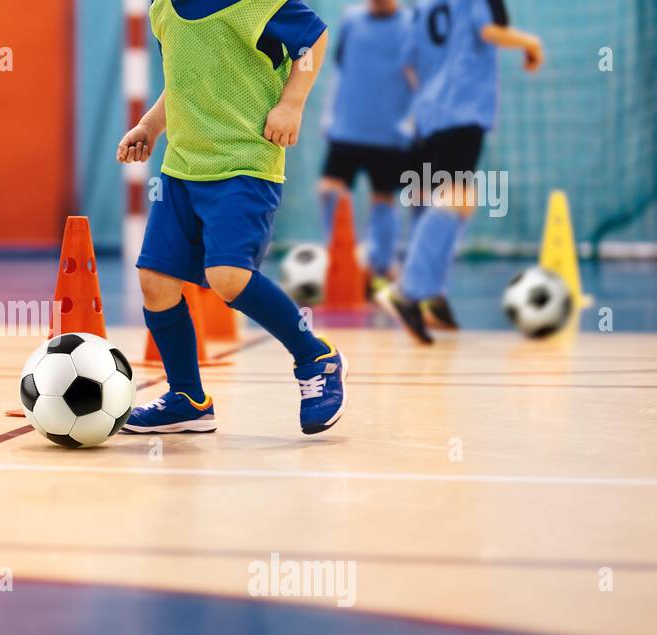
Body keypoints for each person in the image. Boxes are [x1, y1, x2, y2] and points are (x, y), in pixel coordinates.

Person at [117, 0, 346, 436]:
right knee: (155, 281)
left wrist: (292, 103)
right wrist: (149, 126)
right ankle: (188, 398)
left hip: (244, 164)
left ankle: (314, 355)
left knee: (228, 276)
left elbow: (314, 38)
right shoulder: (162, 8)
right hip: (182, 168)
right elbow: (185, 82)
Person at [377, 0, 543, 343]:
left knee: (453, 201)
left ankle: (432, 295)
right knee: (455, 198)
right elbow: (490, 31)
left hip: (428, 112)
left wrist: (430, 91)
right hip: (463, 109)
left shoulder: (422, 6)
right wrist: (531, 43)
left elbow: (408, 63)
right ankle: (408, 292)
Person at [318, 0, 415, 294]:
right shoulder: (352, 19)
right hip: (347, 127)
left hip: (390, 132)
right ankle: (342, 259)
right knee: (329, 190)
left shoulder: (411, 24)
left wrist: (413, 119)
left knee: (383, 198)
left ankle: (381, 268)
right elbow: (341, 68)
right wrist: (330, 113)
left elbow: (418, 75)